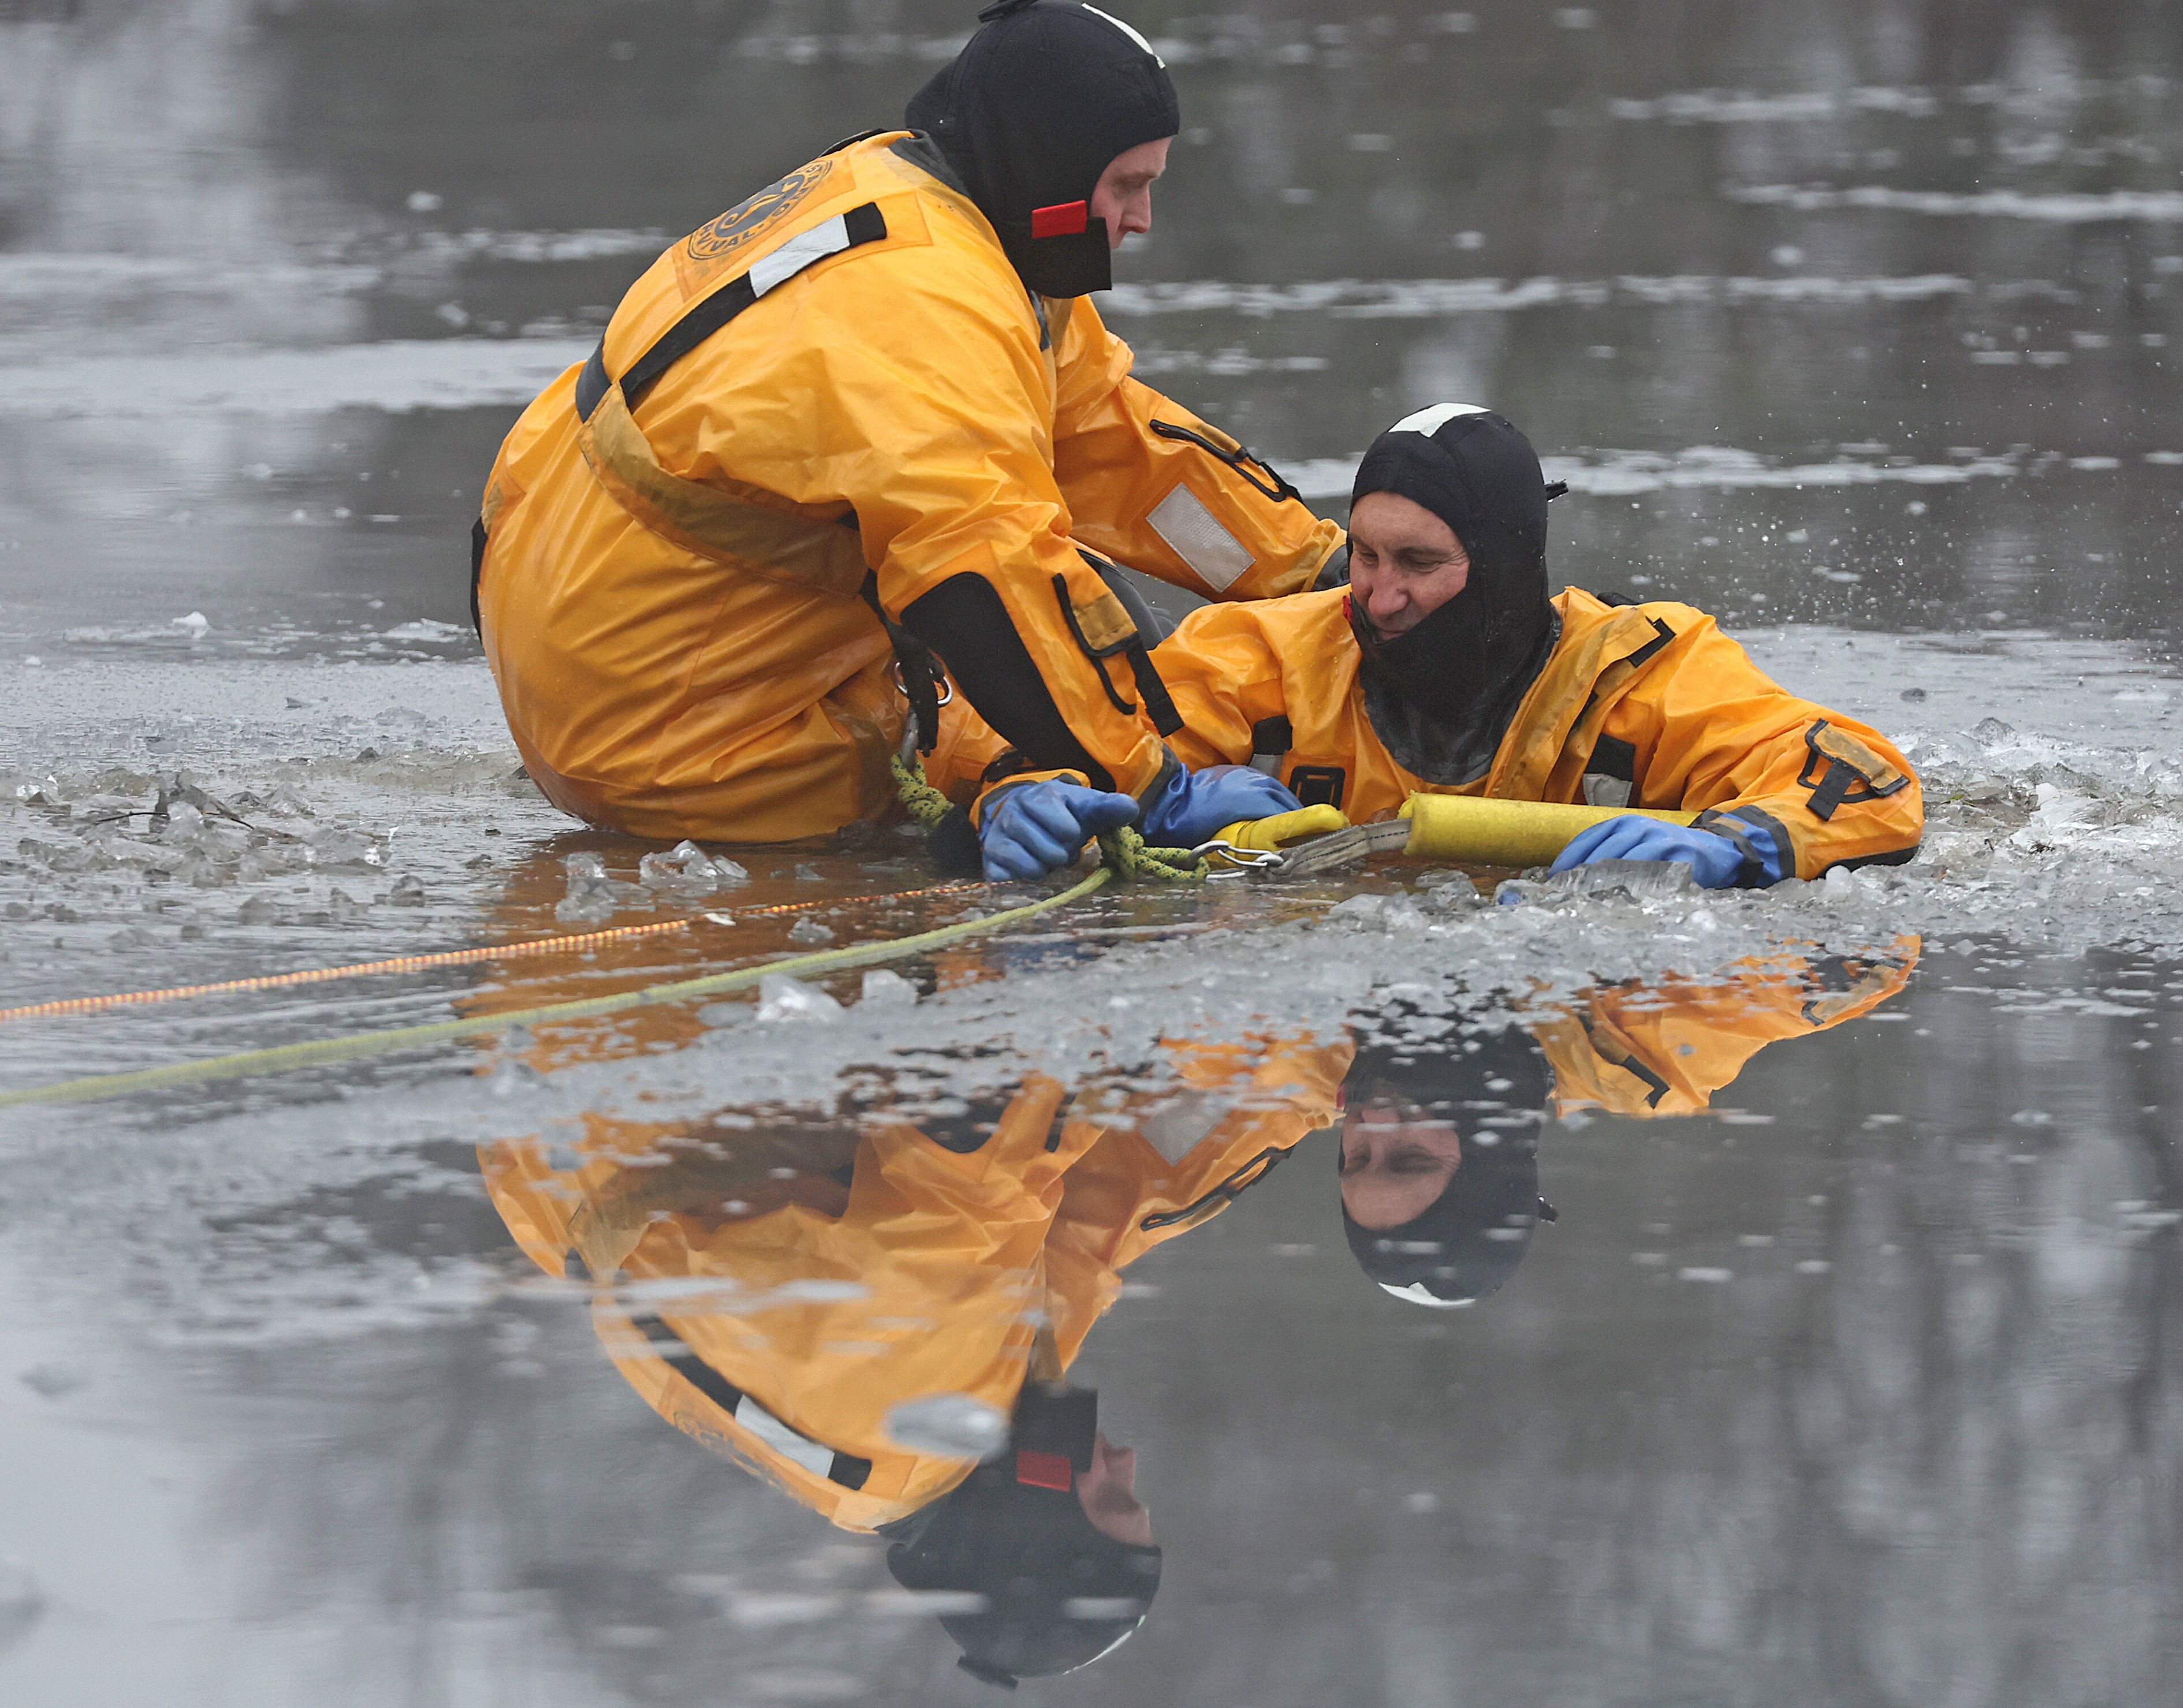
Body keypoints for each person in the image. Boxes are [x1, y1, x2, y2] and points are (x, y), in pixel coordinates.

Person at [471, 0, 1340, 871]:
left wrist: (1319, 570)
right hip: (665, 723)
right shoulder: (929, 306)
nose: (1142, 219)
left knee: (1073, 618)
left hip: (576, 584)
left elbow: (1110, 445)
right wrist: (1151, 786)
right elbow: (982, 572)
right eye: (1127, 187)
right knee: (1049, 640)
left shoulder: (929, 201)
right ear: (1050, 165)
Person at [479, 1031, 1340, 1684]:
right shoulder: (933, 1455)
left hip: (618, 1044)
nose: (1127, 1459)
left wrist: (1089, 951)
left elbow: (991, 1090)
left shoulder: (914, 1404)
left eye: (1112, 1496)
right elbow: (1093, 1228)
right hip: (559, 1136)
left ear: (1036, 1520)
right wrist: (1319, 1070)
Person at [1152, 403, 1924, 885]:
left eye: (1419, 563)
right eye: (1366, 555)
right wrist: (1152, 799)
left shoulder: (1637, 675)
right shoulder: (1264, 656)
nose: (1381, 598)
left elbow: (1869, 783)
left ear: (1504, 571)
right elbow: (1096, 754)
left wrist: (1736, 845)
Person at [1339, 939, 1918, 1306]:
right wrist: (1749, 846)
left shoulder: (1322, 1045)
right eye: (1409, 1158)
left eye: (1356, 1157)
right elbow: (1872, 952)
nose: (1371, 1120)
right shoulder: (1646, 1046)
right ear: (1490, 1160)